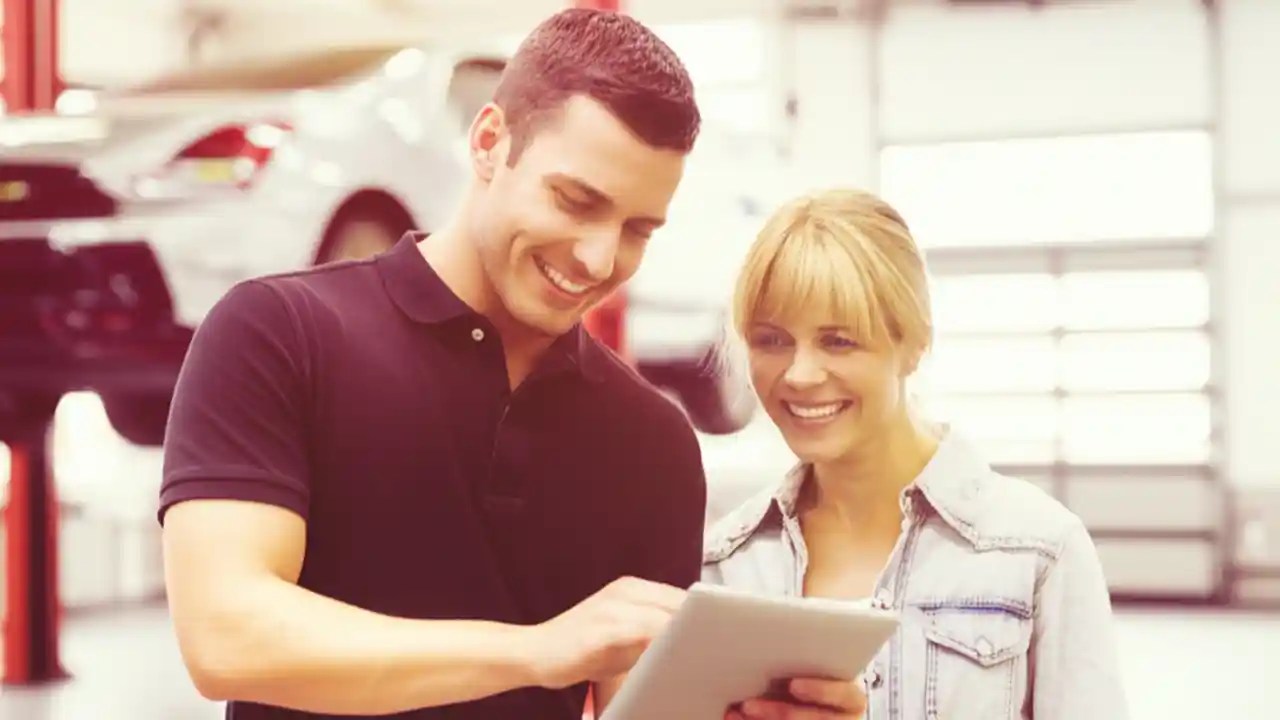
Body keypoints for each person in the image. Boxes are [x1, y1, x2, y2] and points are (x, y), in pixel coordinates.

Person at [159, 9, 860, 720]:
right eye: (575, 201)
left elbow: (637, 711)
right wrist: (536, 651)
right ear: (491, 142)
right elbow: (226, 638)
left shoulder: (652, 442)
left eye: (636, 230)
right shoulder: (277, 335)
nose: (597, 258)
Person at [702, 188, 1130, 720]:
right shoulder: (724, 564)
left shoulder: (1037, 552)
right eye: (771, 340)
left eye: (838, 341)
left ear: (914, 341)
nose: (799, 374)